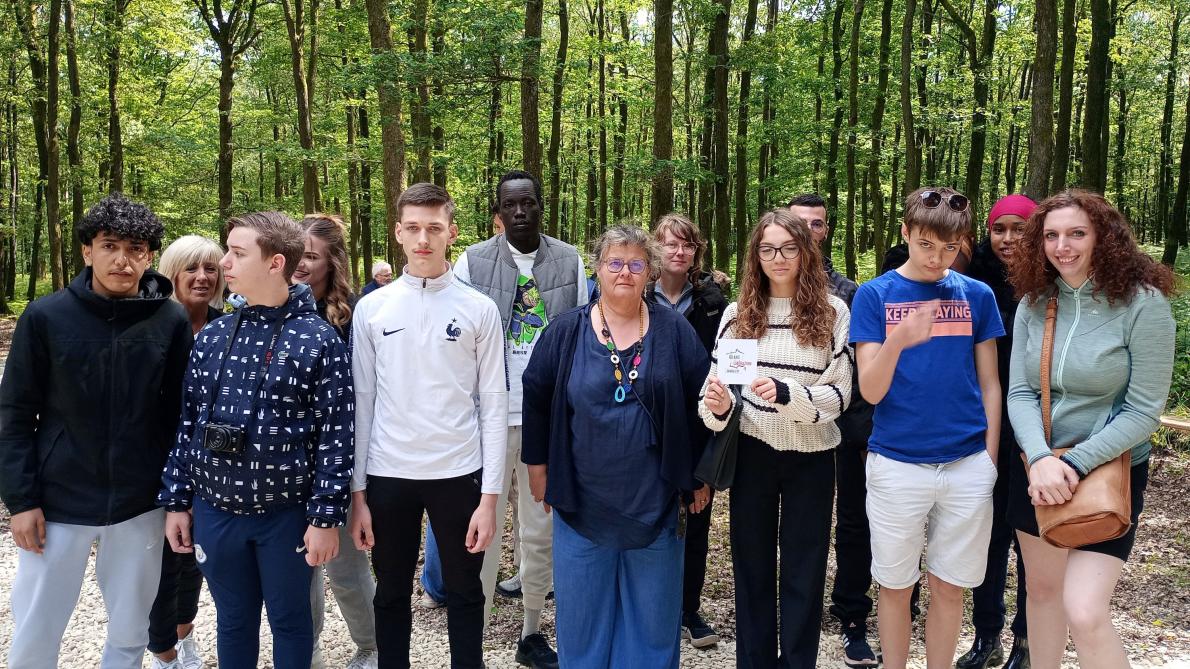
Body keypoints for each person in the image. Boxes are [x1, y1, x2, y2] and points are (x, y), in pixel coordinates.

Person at [0, 193, 192, 669]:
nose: (122, 260)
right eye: (109, 246)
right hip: (58, 499)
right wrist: (21, 501)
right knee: (36, 626)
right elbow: (14, 413)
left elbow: (180, 417)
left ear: (149, 255)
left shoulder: (168, 320)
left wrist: (176, 495)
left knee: (130, 630)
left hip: (140, 500)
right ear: (87, 251)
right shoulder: (45, 317)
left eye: (135, 248)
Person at [159, 211, 354, 669]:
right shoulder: (214, 337)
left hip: (285, 517)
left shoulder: (318, 340)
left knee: (290, 622)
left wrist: (325, 518)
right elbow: (187, 424)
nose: (223, 262)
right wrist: (177, 501)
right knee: (232, 621)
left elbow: (337, 436)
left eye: (236, 253)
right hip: (216, 513)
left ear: (274, 263)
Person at [521, 224, 709, 668]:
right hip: (582, 500)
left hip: (656, 500)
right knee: (583, 621)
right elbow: (537, 395)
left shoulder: (675, 331)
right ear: (598, 269)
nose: (625, 272)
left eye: (636, 263)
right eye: (615, 262)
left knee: (652, 621)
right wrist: (538, 468)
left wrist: (698, 476)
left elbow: (700, 399)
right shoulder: (566, 332)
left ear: (650, 272)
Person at [419, 169, 584, 667]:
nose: (519, 212)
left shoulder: (569, 260)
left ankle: (533, 631)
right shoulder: (473, 261)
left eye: (528, 203)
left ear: (540, 205)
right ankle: (476, 633)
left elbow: (579, 339)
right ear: (498, 210)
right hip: (486, 419)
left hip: (546, 420)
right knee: (481, 532)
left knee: (540, 530)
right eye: (510, 204)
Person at [1006, 190, 1176, 669]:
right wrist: (1041, 460)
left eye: (1077, 233)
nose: (1063, 245)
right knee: (1040, 595)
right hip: (1038, 468)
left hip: (1105, 474)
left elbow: (1144, 413)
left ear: (1105, 237)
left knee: (1083, 610)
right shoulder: (1034, 303)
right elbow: (1020, 394)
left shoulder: (1143, 305)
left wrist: (1072, 464)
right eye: (1052, 235)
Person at [348, 183, 507, 669]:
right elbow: (363, 401)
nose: (423, 238)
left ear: (451, 233)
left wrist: (490, 499)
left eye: (434, 228)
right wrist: (358, 495)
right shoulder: (372, 309)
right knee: (391, 593)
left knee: (465, 593)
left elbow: (494, 405)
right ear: (398, 233)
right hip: (388, 473)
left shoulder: (479, 309)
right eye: (413, 228)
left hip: (459, 472)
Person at [850, 187, 1004, 669]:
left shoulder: (977, 295)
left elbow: (990, 384)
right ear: (906, 234)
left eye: (950, 246)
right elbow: (871, 391)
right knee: (895, 585)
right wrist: (898, 339)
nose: (938, 258)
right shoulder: (875, 295)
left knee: (949, 587)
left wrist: (989, 461)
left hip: (965, 466)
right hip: (897, 464)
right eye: (926, 245)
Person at [699, 209, 852, 668]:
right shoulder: (738, 314)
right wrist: (719, 405)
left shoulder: (833, 311)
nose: (778, 258)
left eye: (788, 248)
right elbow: (711, 399)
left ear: (806, 251)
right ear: (755, 255)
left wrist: (791, 395)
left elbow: (840, 394)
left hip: (813, 456)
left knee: (805, 571)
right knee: (752, 568)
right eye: (767, 249)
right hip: (753, 452)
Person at [787, 194, 878, 668]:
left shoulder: (849, 293)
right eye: (798, 222)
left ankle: (851, 615)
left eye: (816, 224)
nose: (807, 231)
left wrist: (862, 434)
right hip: (782, 426)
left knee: (853, 521)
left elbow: (862, 369)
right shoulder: (763, 288)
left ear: (825, 231)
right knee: (794, 526)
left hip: (842, 424)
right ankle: (788, 617)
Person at [294, 213, 379, 669]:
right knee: (299, 571)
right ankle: (307, 651)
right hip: (285, 463)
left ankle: (370, 645)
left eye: (311, 255)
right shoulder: (263, 306)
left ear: (332, 263)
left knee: (346, 568)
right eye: (296, 253)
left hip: (337, 458)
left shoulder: (354, 313)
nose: (300, 264)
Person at [959, 194, 1036, 669]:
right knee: (987, 536)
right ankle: (987, 637)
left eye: (1018, 229)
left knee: (1031, 536)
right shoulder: (972, 283)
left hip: (1038, 428)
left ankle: (1027, 640)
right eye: (999, 229)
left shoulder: (1050, 284)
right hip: (984, 423)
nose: (1008, 239)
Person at [646, 213, 727, 650]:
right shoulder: (636, 295)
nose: (679, 253)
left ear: (697, 251)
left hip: (699, 418)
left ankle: (689, 607)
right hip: (649, 417)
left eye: (687, 245)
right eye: (670, 245)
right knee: (652, 512)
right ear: (655, 249)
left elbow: (727, 360)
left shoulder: (712, 302)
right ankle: (654, 606)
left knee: (696, 513)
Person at [147, 234, 228, 669]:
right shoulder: (152, 323)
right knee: (162, 563)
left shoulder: (226, 326)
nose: (202, 277)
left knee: (193, 558)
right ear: (171, 273)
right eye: (191, 269)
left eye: (210, 268)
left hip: (208, 467)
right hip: (157, 461)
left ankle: (185, 633)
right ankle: (162, 651)